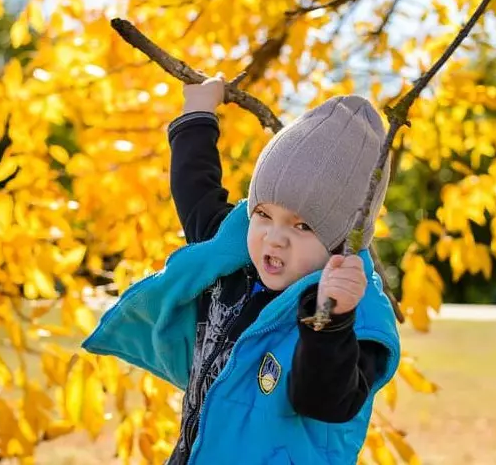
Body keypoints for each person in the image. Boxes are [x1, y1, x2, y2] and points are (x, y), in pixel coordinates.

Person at [82, 74, 401, 464]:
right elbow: (195, 188)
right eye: (264, 214)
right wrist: (197, 110)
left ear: (340, 242)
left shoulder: (357, 313)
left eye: (302, 226)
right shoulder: (234, 257)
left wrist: (331, 315)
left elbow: (324, 399)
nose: (274, 238)